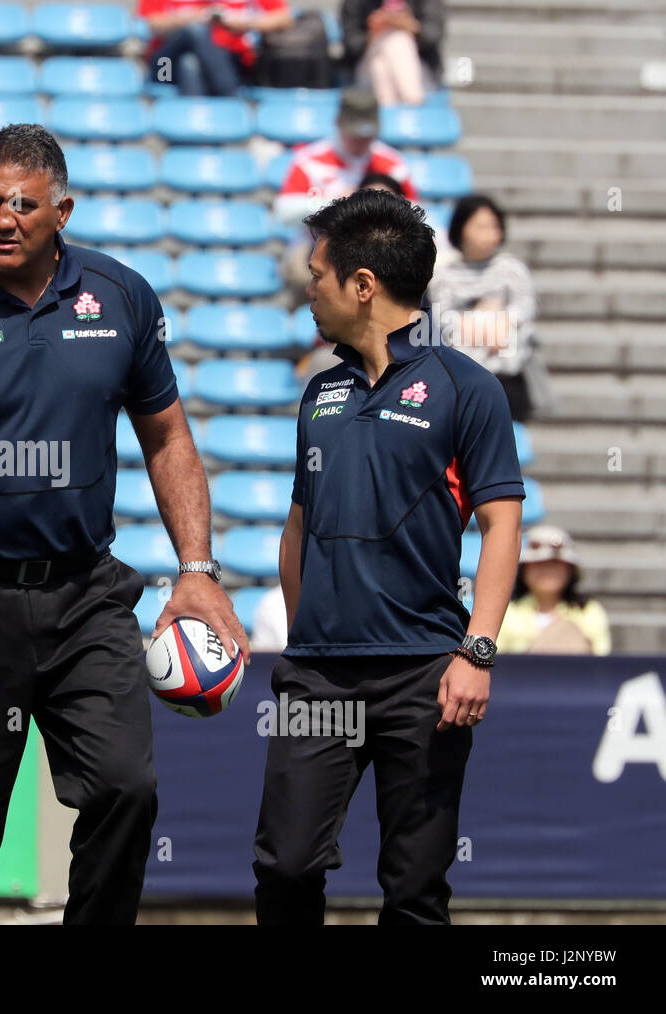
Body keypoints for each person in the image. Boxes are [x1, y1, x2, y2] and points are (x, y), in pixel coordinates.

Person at [0, 123, 250, 925]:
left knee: (126, 789)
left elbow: (169, 437)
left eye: (23, 204)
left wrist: (199, 570)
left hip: (85, 597)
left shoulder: (122, 297)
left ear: (62, 210)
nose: (2, 219)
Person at [254, 188, 524, 924]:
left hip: (424, 676)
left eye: (317, 275)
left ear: (363, 285)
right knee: (284, 865)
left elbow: (503, 526)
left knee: (414, 890)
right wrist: (307, 638)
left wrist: (478, 650)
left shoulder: (468, 389)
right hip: (318, 677)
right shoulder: (320, 392)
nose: (307, 288)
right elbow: (296, 526)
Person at [275, 88, 419, 303]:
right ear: (338, 123)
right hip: (317, 247)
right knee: (303, 271)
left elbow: (416, 214)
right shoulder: (310, 160)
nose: (361, 140)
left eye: (367, 133)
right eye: (354, 132)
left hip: (382, 251)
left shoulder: (392, 163)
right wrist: (335, 204)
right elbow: (283, 212)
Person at [427, 194, 542, 421]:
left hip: (507, 376)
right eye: (480, 226)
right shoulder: (443, 276)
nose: (489, 234)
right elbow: (444, 323)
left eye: (494, 226)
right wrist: (487, 319)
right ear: (461, 228)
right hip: (460, 379)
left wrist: (494, 325)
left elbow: (524, 313)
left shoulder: (512, 271)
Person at [139, 0, 293, 96]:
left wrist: (240, 22)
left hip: (230, 62)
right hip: (164, 69)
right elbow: (152, 25)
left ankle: (193, 141)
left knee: (190, 64)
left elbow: (284, 18)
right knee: (196, 31)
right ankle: (231, 97)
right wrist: (191, 19)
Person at [497, 525, 611, 655]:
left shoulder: (590, 612)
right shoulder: (506, 613)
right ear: (524, 570)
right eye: (539, 564)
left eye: (555, 565)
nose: (547, 571)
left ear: (570, 571)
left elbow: (601, 662)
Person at [341, 0, 445, 106]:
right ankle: (412, 101)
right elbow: (351, 44)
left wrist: (410, 26)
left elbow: (434, 33)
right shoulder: (357, 3)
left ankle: (390, 109)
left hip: (420, 71)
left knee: (381, 63)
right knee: (396, 40)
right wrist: (374, 32)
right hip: (366, 72)